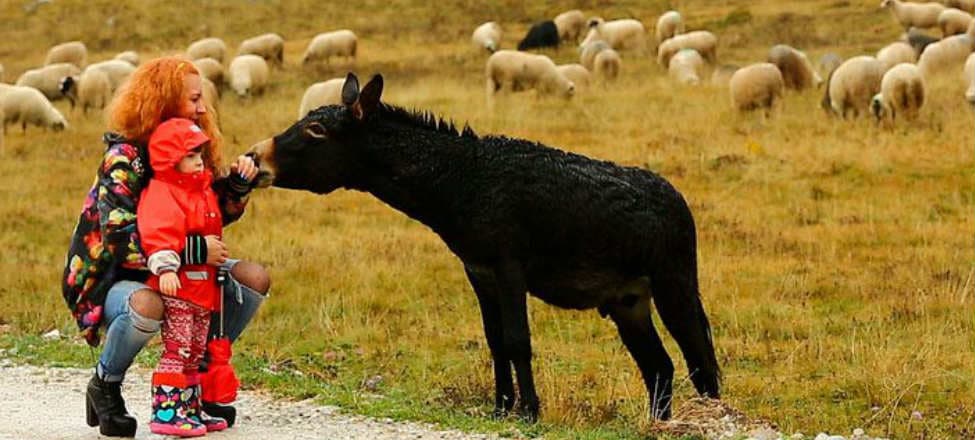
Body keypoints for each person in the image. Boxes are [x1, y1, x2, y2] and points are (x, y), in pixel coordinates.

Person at [62, 56, 269, 437]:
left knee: (252, 278)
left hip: (180, 271)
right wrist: (192, 253)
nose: (202, 107)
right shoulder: (124, 159)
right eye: (193, 100)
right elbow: (121, 241)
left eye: (201, 99)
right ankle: (105, 384)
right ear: (164, 100)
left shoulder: (190, 145)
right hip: (115, 276)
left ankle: (196, 382)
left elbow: (203, 213)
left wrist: (237, 187)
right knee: (149, 304)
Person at [139, 118, 232, 436]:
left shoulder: (201, 189)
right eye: (191, 155)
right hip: (179, 285)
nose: (199, 161)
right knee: (177, 348)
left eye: (200, 154)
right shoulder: (163, 192)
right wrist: (165, 268)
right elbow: (158, 232)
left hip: (201, 286)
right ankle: (166, 411)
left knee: (195, 349)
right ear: (170, 157)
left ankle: (190, 408)